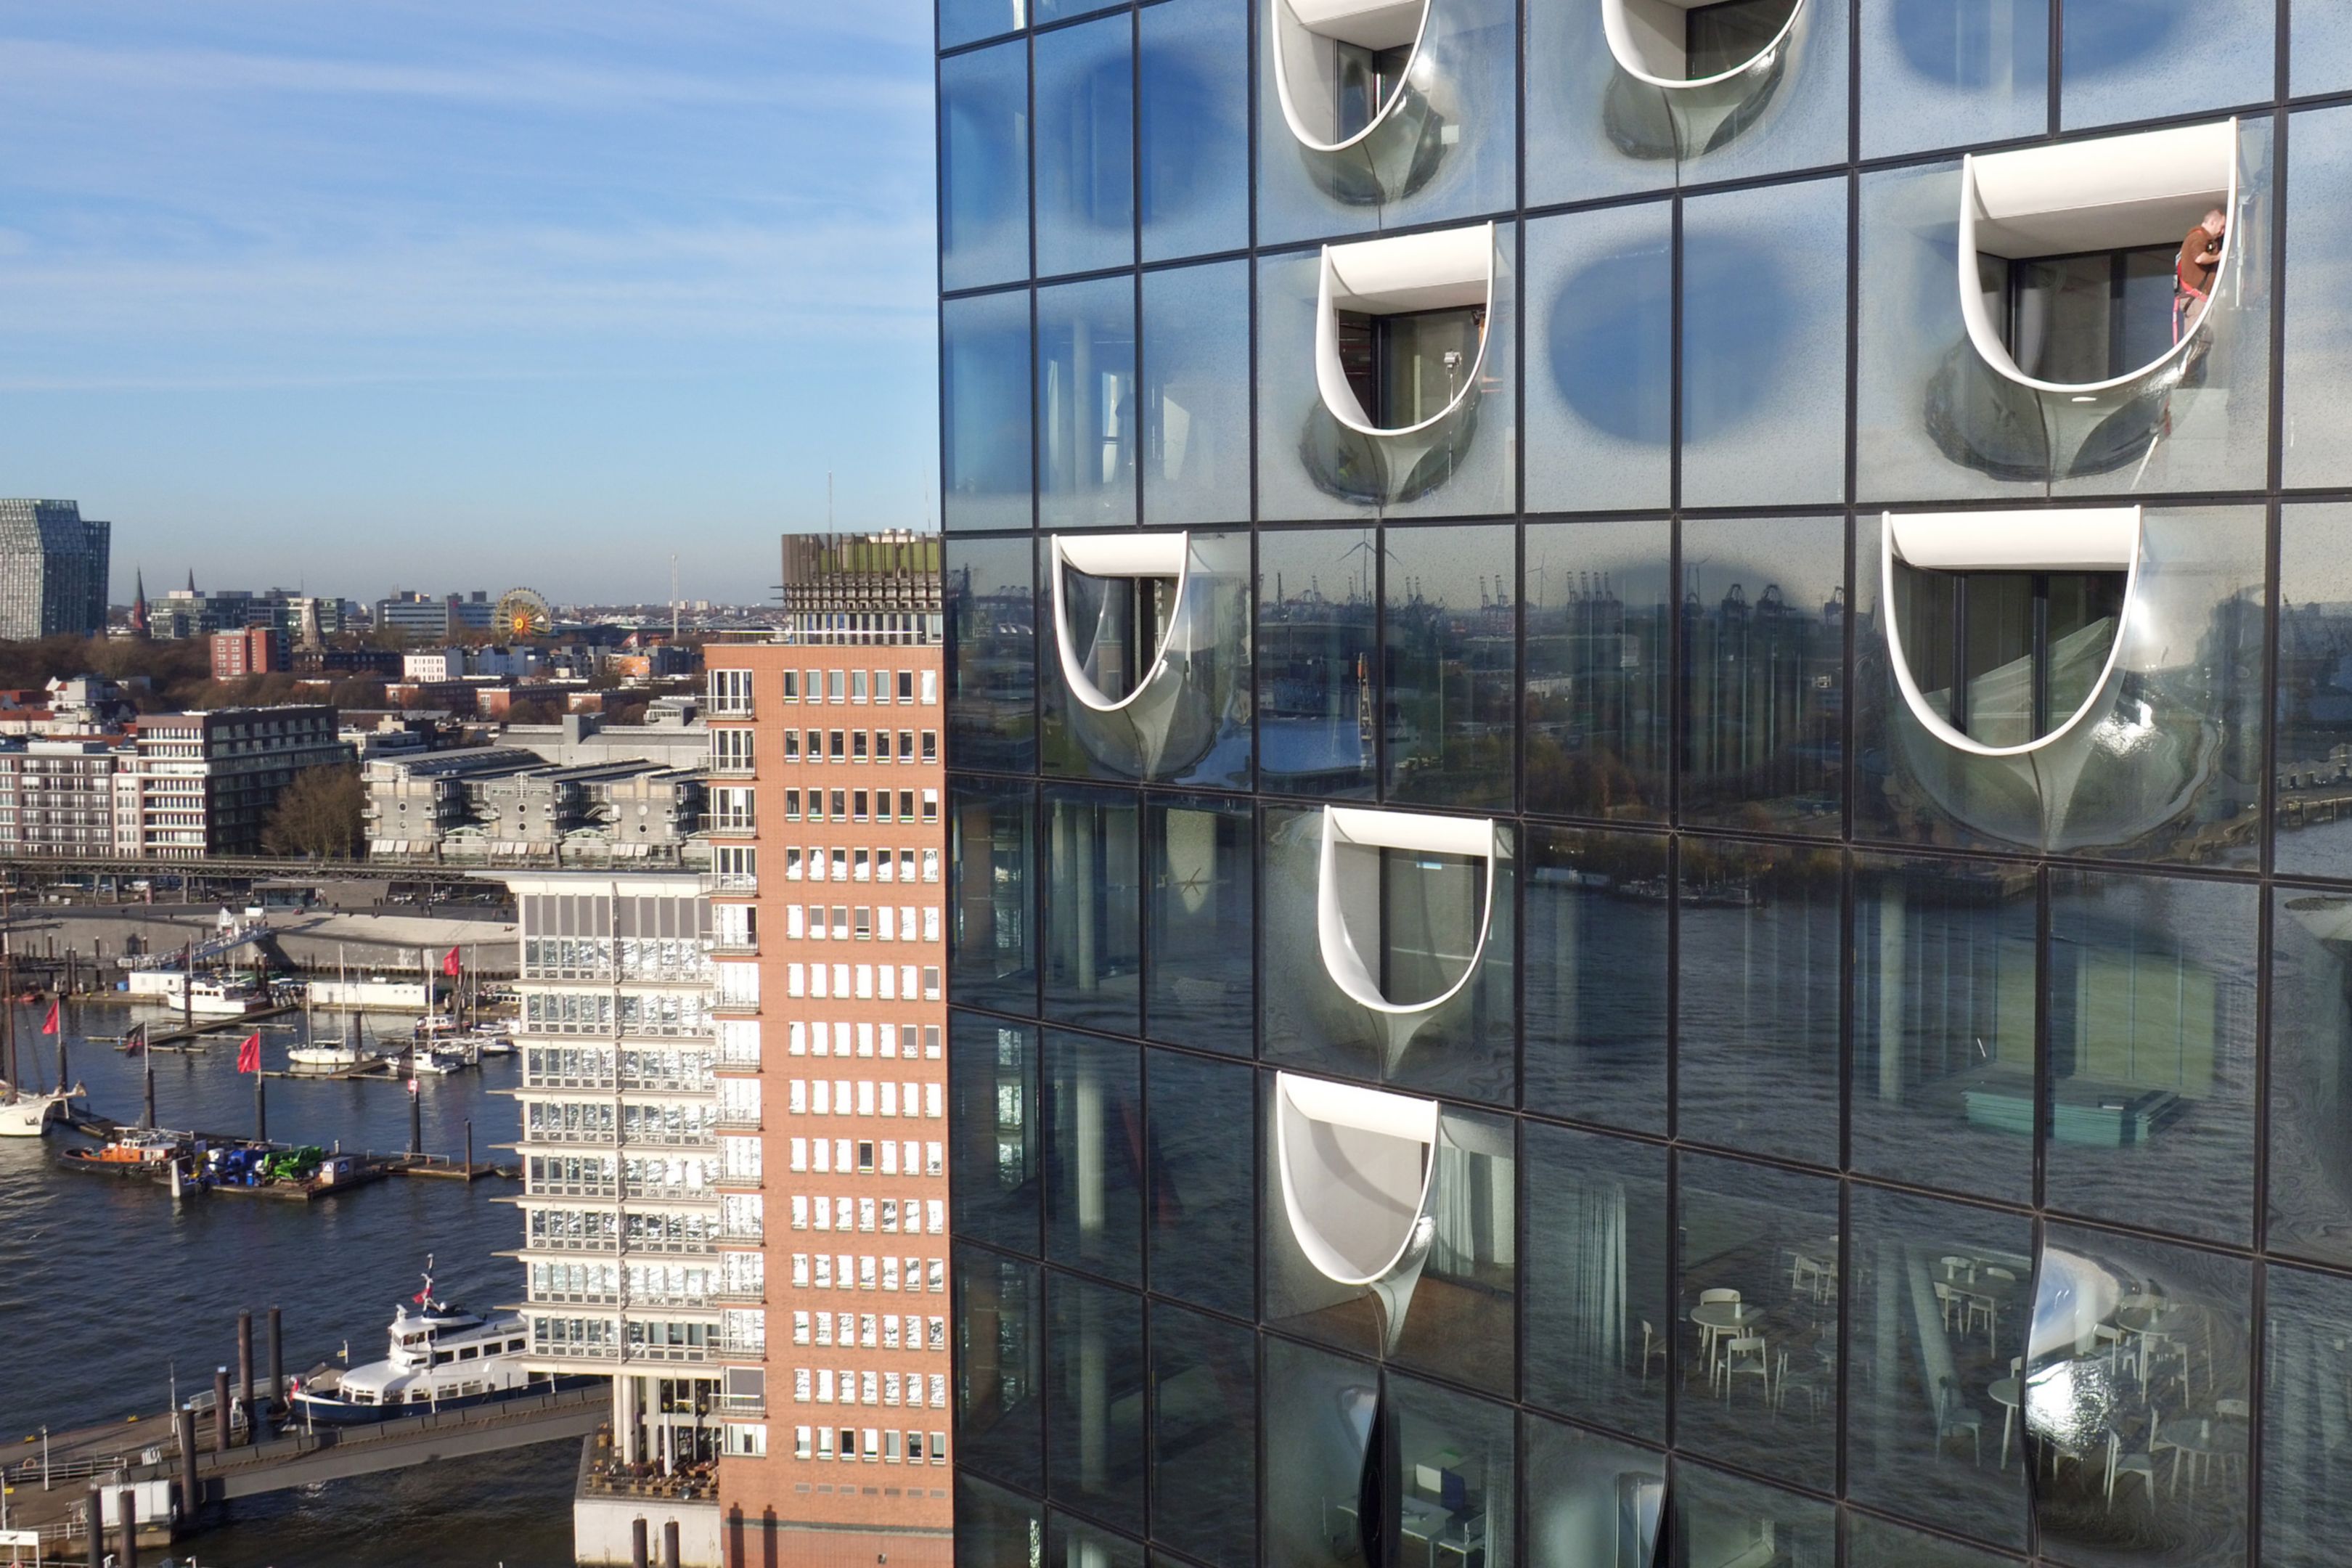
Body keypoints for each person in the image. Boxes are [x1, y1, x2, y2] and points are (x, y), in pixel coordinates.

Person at [2176, 208, 2226, 340]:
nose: (2223, 232)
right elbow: (2199, 258)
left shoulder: (2206, 240)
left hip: (2198, 298)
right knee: (2198, 341)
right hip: (2196, 299)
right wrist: (2219, 257)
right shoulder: (2198, 237)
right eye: (2221, 227)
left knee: (2204, 339)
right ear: (2212, 222)